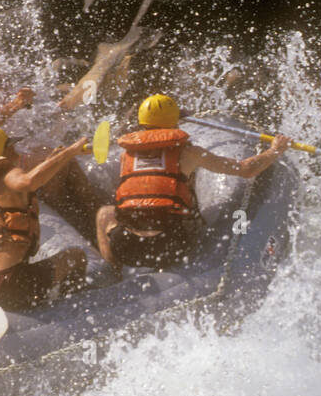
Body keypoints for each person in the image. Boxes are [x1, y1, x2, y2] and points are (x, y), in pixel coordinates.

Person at [0, 19, 108, 242]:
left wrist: (49, 108)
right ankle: (95, 224)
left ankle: (98, 221)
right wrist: (15, 105)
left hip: (5, 151)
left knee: (58, 156)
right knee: (58, 159)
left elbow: (20, 116)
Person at [95, 94, 292, 270]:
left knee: (104, 214)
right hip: (170, 247)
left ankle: (114, 272)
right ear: (176, 122)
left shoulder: (127, 154)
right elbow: (246, 169)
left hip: (127, 247)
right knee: (185, 188)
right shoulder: (190, 153)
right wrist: (276, 149)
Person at [0, 126, 90, 310]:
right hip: (14, 284)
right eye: (11, 146)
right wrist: (72, 151)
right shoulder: (7, 174)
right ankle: (70, 311)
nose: (15, 151)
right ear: (4, 151)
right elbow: (29, 181)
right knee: (75, 256)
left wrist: (52, 160)